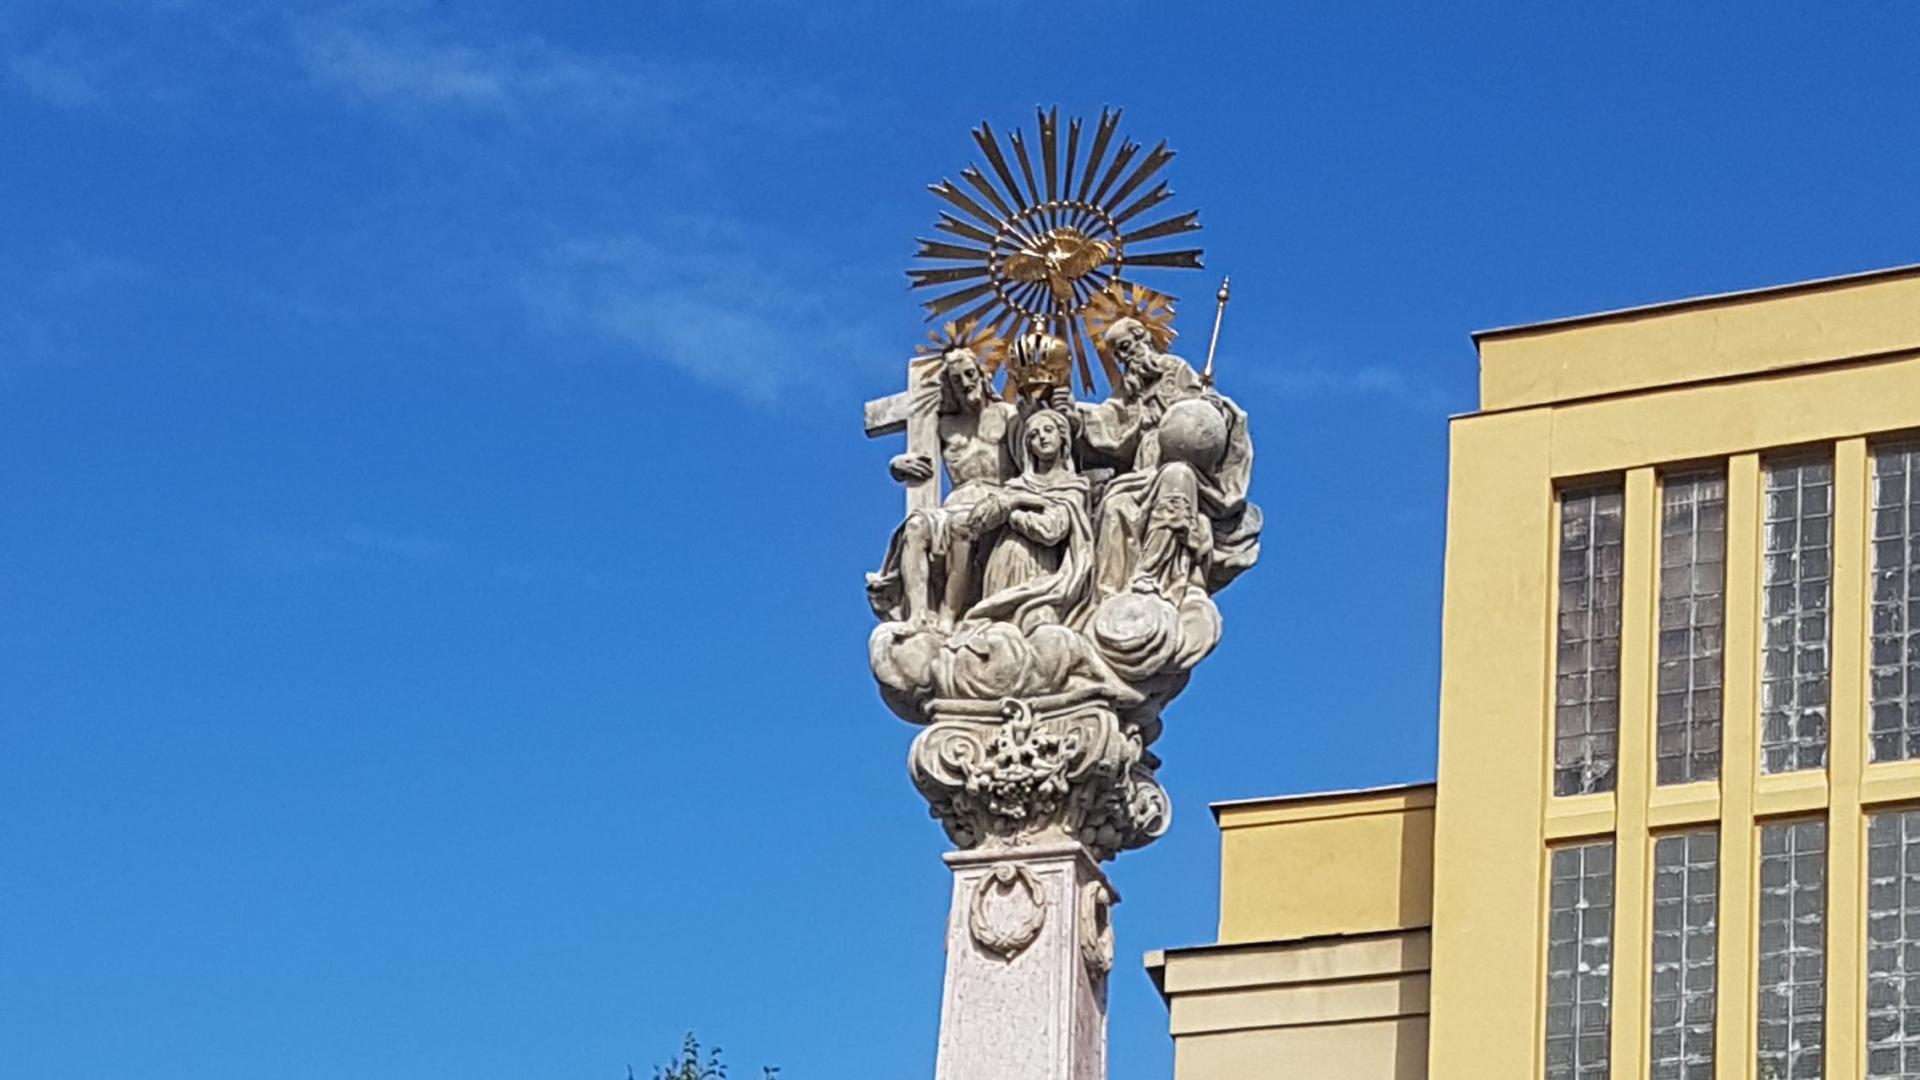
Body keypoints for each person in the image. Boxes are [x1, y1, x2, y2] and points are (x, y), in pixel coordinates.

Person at [866, 348, 1018, 631]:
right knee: (914, 528)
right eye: (956, 379)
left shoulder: (1009, 416)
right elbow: (921, 455)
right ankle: (918, 616)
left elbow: (1030, 461)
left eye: (969, 374)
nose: (965, 383)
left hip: (994, 502)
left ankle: (949, 615)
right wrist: (898, 464)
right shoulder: (945, 425)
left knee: (962, 527)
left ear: (984, 376)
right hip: (954, 502)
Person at [964, 407, 1095, 631]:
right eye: (1034, 435)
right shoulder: (1017, 486)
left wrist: (1010, 515)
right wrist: (1017, 500)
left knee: (1031, 628)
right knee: (996, 630)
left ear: (1062, 436)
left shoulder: (1074, 486)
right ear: (1028, 446)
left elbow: (1052, 530)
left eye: (1048, 430)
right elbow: (976, 521)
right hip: (1002, 563)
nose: (1041, 437)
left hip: (1039, 570)